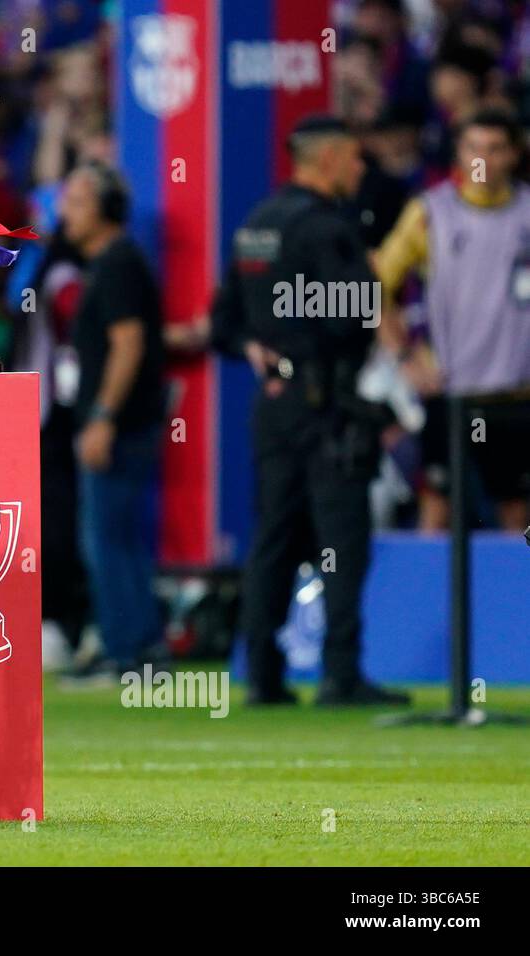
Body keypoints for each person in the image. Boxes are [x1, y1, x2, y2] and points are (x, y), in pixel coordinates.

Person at [211, 115, 408, 707]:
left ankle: (263, 676)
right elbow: (354, 318)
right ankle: (340, 675)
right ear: (327, 161)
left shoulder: (257, 226)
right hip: (328, 405)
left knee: (273, 536)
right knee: (341, 539)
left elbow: (223, 325)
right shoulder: (327, 229)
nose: (359, 170)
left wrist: (259, 346)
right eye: (353, 159)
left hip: (274, 406)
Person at [375, 108, 530, 533]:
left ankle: (515, 601)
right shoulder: (430, 213)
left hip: (516, 396)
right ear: (458, 153)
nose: (483, 159)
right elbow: (375, 286)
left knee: (517, 515)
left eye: (495, 149)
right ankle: (431, 601)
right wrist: (405, 356)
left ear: (514, 154)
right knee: (437, 508)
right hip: (452, 393)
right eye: (473, 148)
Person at [56, 162, 166, 682]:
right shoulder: (110, 262)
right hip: (120, 422)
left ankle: (130, 648)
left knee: (108, 538)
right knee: (113, 537)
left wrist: (103, 417)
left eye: (77, 201)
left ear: (106, 209)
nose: (64, 213)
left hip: (119, 425)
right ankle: (132, 642)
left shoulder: (118, 262)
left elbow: (129, 343)